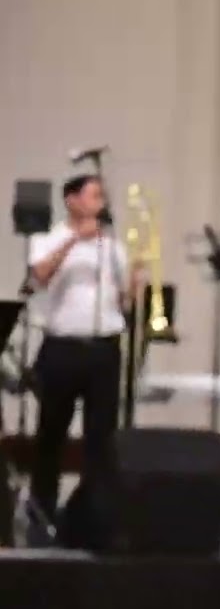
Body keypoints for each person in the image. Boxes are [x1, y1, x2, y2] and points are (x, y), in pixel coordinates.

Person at [25, 174, 135, 548]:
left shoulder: (112, 246)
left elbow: (124, 302)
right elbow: (39, 275)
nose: (100, 202)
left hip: (104, 348)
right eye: (93, 195)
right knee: (51, 434)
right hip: (62, 348)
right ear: (72, 200)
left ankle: (94, 517)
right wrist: (74, 241)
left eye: (102, 196)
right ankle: (41, 514)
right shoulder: (50, 237)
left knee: (101, 439)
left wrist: (133, 283)